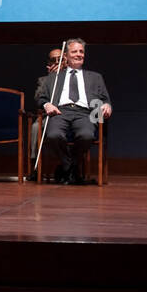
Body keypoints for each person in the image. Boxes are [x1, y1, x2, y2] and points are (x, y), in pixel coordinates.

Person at [36, 38, 111, 185]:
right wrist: (47, 105)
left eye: (81, 51)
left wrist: (107, 106)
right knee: (53, 135)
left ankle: (66, 168)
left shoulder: (95, 77)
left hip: (84, 113)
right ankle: (71, 167)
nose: (78, 54)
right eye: (74, 51)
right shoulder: (54, 77)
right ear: (66, 56)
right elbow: (41, 98)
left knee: (87, 135)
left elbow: (105, 99)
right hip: (60, 112)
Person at [28, 47, 63, 169]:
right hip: (49, 117)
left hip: (68, 115)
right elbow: (38, 99)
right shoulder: (43, 80)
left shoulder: (73, 77)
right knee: (35, 127)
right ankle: (34, 163)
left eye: (61, 59)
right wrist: (51, 78)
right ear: (49, 63)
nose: (58, 62)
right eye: (54, 60)